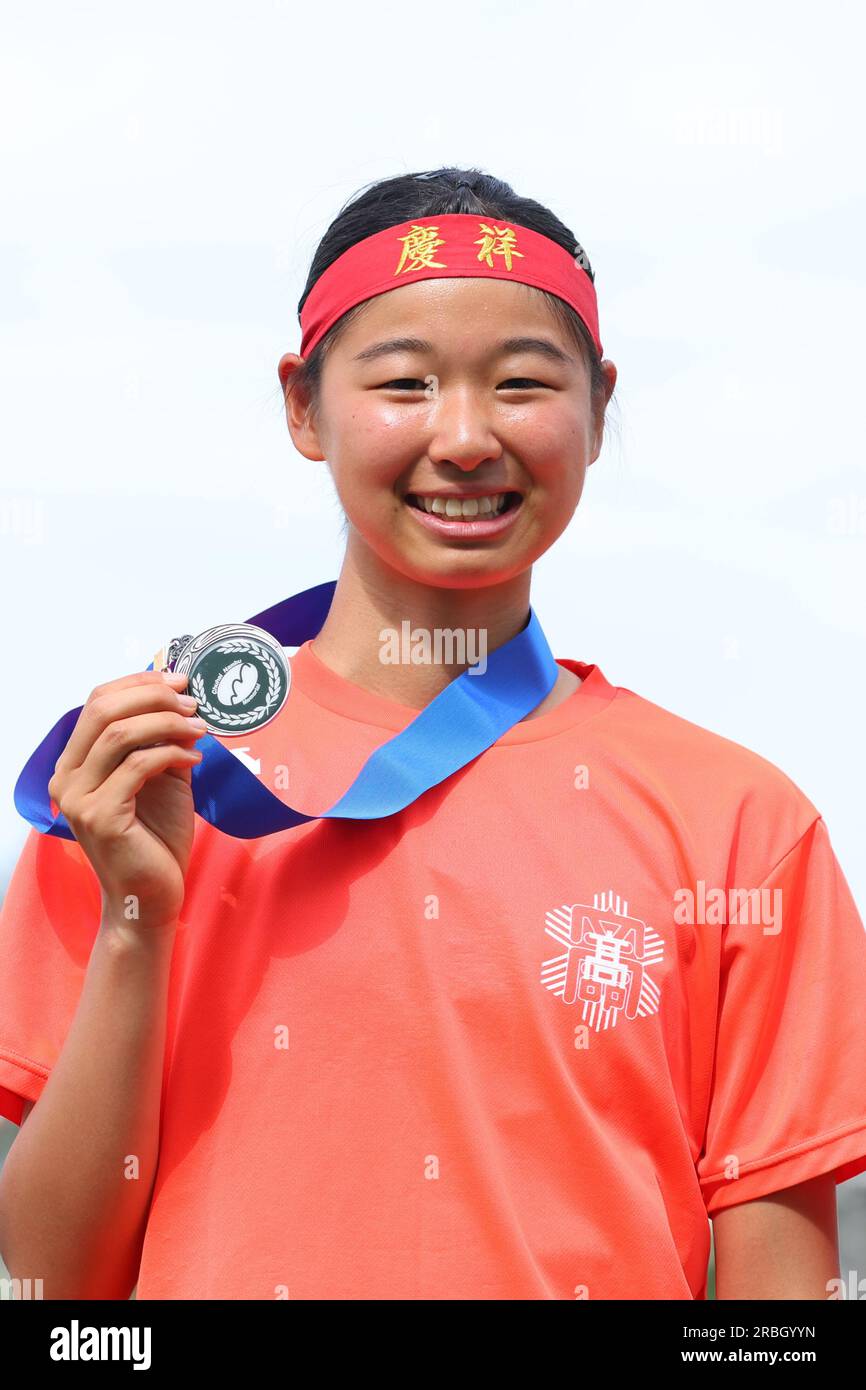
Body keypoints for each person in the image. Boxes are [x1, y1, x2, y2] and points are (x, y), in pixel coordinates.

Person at [1, 166, 865, 1302]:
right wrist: (133, 922)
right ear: (302, 407)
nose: (463, 439)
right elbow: (59, 1276)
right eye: (403, 384)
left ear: (599, 408)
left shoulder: (739, 824)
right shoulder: (151, 777)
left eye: (519, 384)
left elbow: (774, 1310)